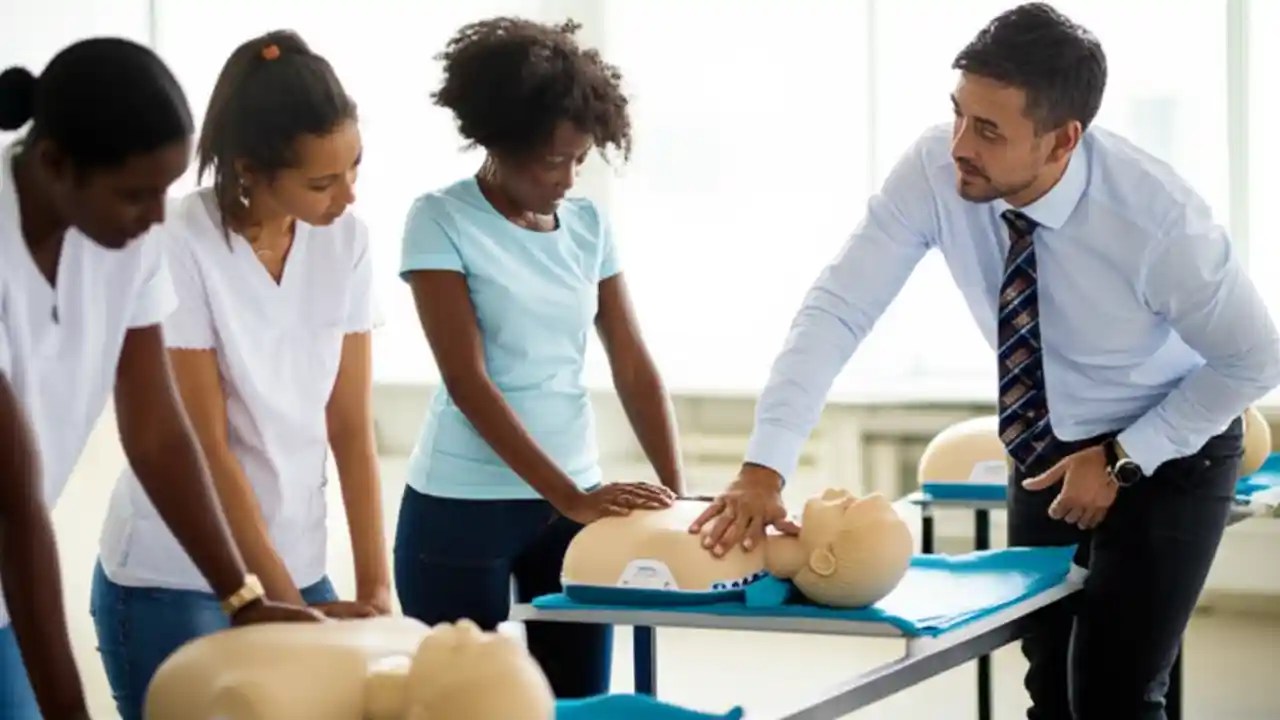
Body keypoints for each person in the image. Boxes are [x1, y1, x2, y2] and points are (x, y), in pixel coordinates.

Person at [691, 3, 1280, 719]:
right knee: (1047, 693)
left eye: (989, 130)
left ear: (1063, 140)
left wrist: (1127, 455)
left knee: (1113, 696)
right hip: (1044, 445)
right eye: (959, 114)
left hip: (1168, 448)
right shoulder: (937, 170)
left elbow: (1255, 357)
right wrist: (764, 466)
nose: (959, 146)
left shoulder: (1157, 220)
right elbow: (838, 309)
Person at [0, 37, 323, 720]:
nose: (156, 216)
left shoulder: (128, 240)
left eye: (165, 190)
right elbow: (13, 505)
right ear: (55, 164)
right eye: (134, 193)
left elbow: (156, 432)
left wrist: (243, 596)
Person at [90, 30, 389, 720]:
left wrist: (376, 589)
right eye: (322, 182)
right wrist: (279, 605)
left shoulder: (346, 239)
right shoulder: (176, 243)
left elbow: (350, 428)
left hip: (297, 558)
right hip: (177, 574)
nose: (345, 196)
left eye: (354, 169)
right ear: (251, 170)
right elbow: (205, 445)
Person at [394, 16, 682, 699]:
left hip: (572, 510)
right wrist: (569, 496)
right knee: (463, 708)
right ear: (498, 141)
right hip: (462, 510)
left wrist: (679, 491)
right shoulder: (440, 219)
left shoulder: (587, 225)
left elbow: (632, 363)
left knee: (578, 703)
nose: (569, 176)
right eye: (553, 159)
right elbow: (467, 381)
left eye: (580, 158)